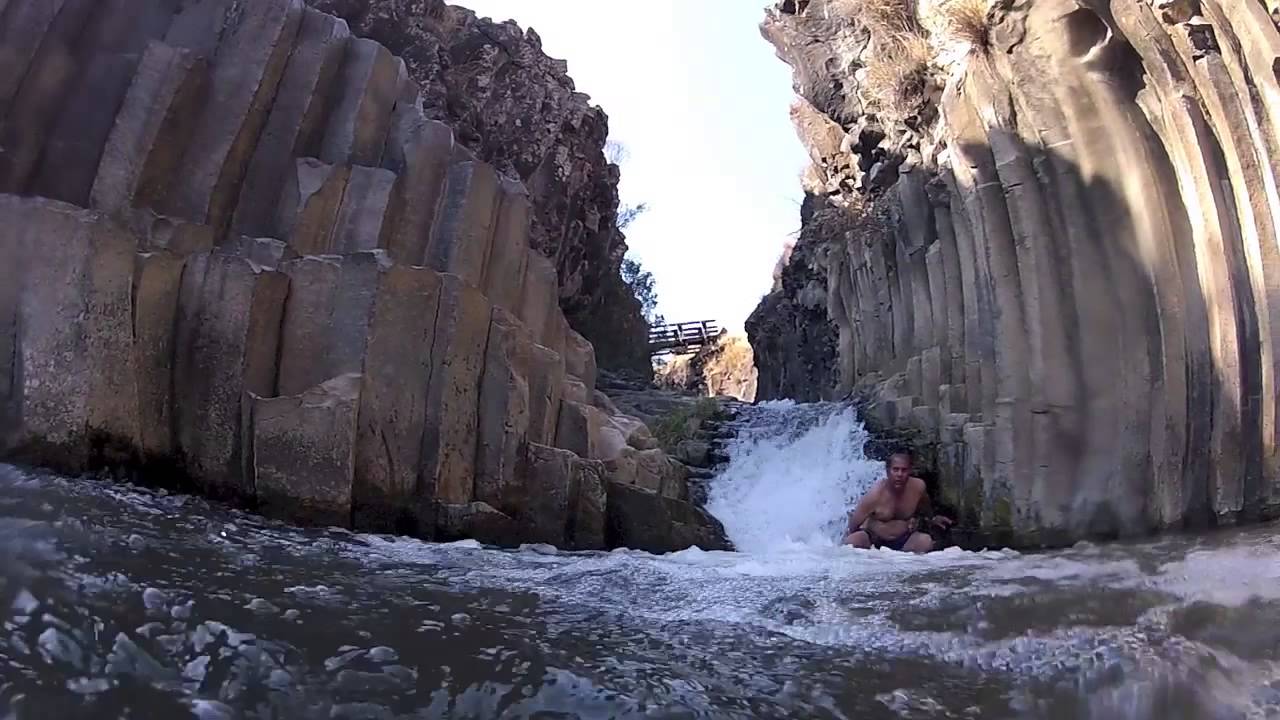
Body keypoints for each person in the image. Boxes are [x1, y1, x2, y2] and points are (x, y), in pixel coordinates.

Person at [843, 450, 952, 553]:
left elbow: (925, 507)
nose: (899, 474)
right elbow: (853, 525)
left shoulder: (918, 487)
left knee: (925, 542)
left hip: (903, 541)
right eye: (895, 470)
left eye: (904, 470)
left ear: (910, 471)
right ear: (888, 471)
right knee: (853, 541)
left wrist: (932, 519)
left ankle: (905, 563)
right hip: (874, 541)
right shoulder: (875, 495)